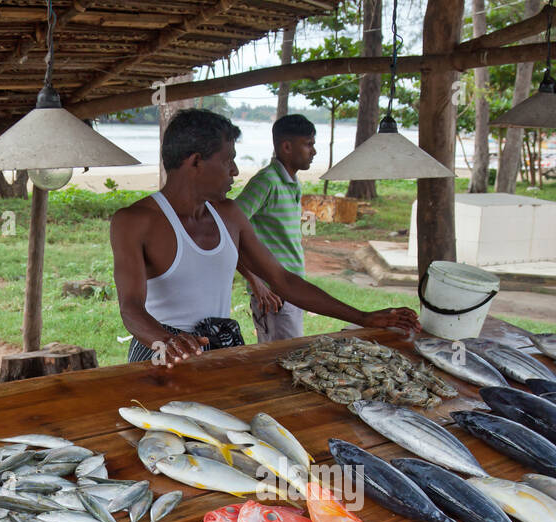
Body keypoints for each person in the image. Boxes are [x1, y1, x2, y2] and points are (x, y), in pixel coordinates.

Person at [110, 109, 417, 366]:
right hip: (159, 349)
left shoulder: (229, 215)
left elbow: (283, 280)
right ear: (195, 162)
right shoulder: (135, 222)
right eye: (228, 159)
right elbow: (131, 308)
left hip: (220, 345)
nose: (234, 170)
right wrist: (167, 342)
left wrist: (363, 316)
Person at [233, 113, 315, 342]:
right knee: (282, 360)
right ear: (287, 147)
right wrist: (255, 281)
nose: (314, 152)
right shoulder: (266, 181)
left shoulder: (291, 181)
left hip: (293, 290)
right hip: (275, 295)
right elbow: (226, 231)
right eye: (308, 144)